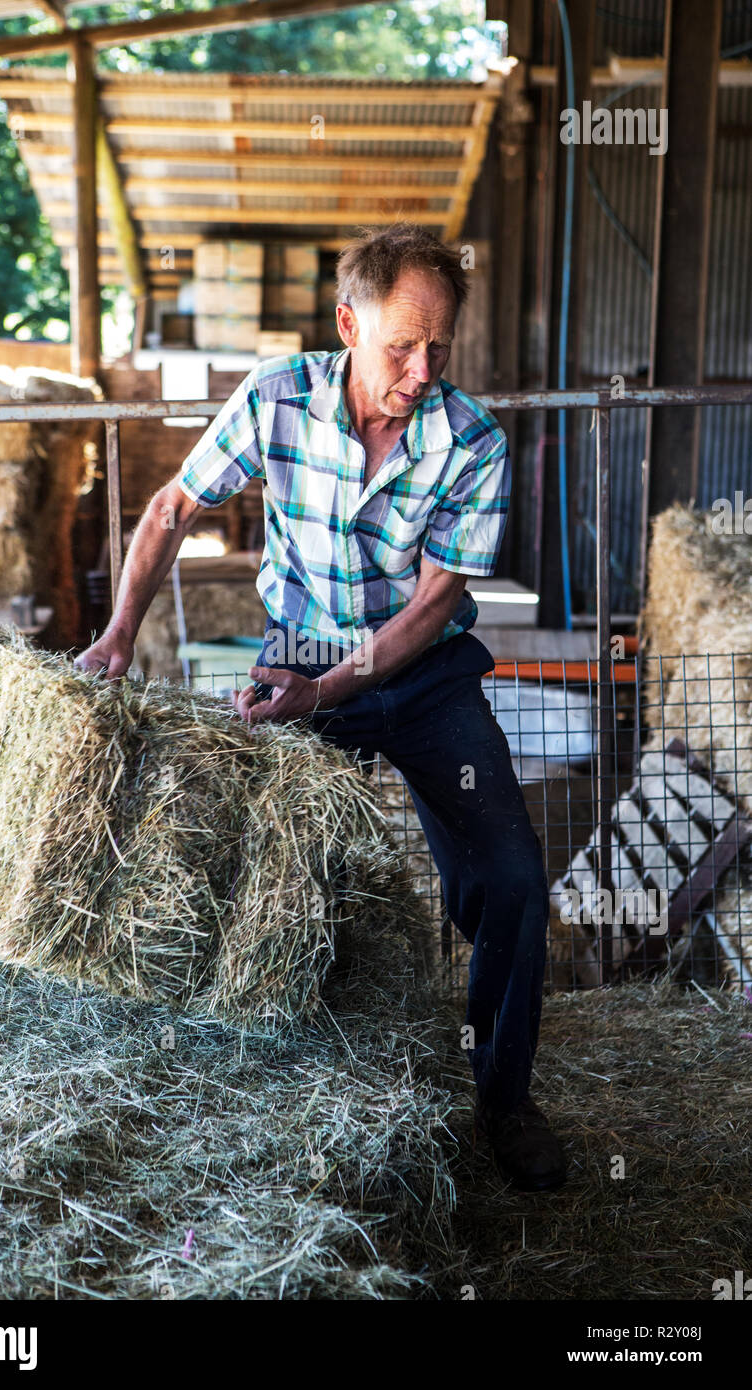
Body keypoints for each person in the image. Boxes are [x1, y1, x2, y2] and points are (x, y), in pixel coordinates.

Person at [77, 223, 567, 1192]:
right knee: (269, 883)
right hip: (296, 654)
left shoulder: (469, 438)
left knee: (508, 880)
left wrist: (334, 686)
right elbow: (175, 505)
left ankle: (502, 1097)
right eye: (399, 346)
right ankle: (268, 1097)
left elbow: (434, 603)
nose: (421, 369)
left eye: (438, 349)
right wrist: (119, 631)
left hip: (421, 673)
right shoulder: (275, 398)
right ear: (348, 323)